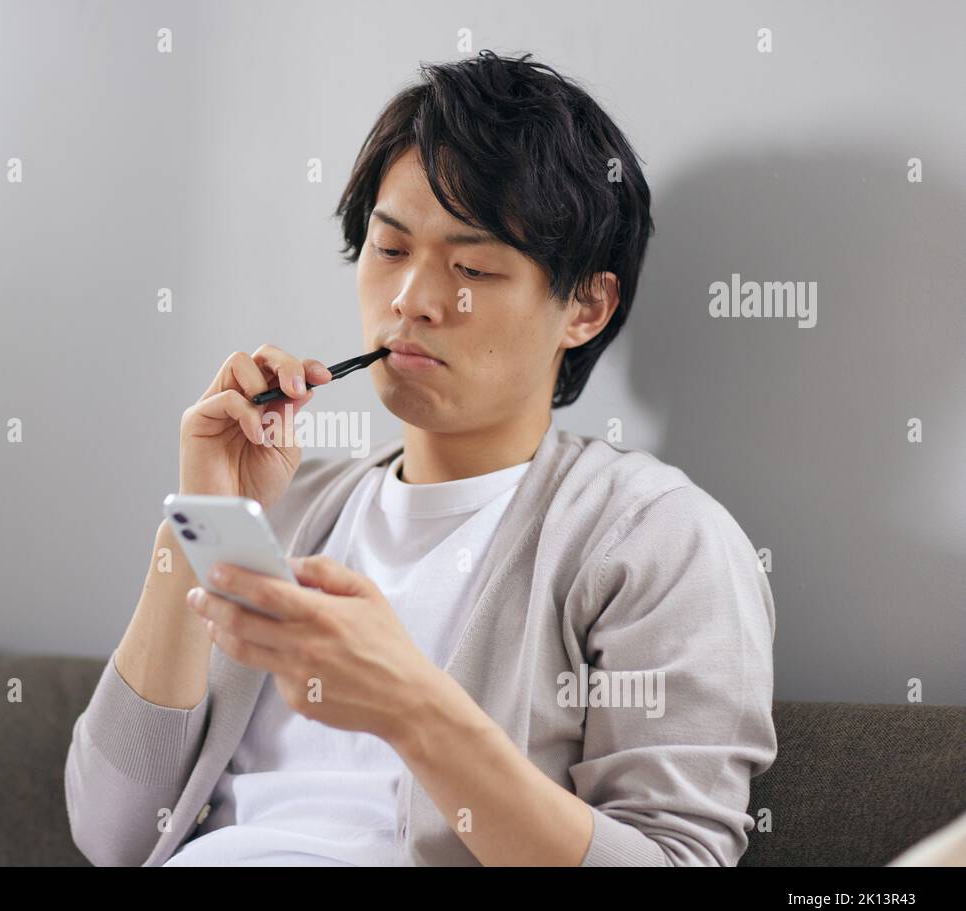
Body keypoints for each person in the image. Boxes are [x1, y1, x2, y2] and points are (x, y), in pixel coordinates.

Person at [65, 51, 776, 866]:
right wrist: (203, 522)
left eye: (471, 267)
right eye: (390, 249)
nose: (412, 300)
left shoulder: (659, 539)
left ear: (586, 304)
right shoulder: (290, 512)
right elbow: (113, 836)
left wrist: (413, 710)